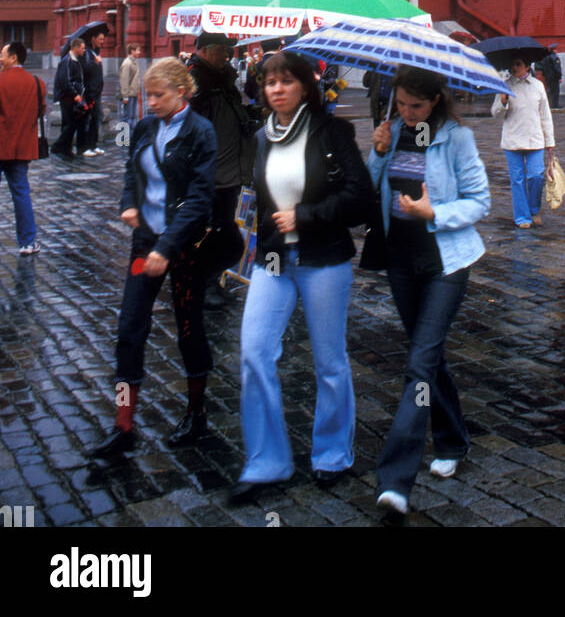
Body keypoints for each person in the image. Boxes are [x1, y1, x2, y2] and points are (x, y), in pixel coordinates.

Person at [230, 52, 373, 502]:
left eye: (286, 81)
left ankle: (332, 454)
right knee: (255, 351)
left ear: (305, 87)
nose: (276, 89)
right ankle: (266, 462)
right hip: (274, 260)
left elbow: (361, 197)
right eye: (269, 82)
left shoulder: (332, 132)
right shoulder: (260, 137)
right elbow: (256, 198)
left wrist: (306, 215)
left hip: (322, 259)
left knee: (329, 361)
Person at [369, 66, 490, 517]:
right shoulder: (393, 130)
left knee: (418, 364)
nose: (406, 112)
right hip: (400, 258)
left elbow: (479, 200)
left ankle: (395, 481)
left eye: (415, 106)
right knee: (429, 356)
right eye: (400, 103)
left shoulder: (457, 138)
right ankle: (453, 440)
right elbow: (371, 189)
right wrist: (378, 152)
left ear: (435, 101)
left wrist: (433, 212)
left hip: (445, 261)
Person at [89, 58, 217, 460]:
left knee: (188, 327)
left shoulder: (201, 131)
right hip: (145, 243)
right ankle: (123, 424)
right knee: (129, 328)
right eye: (149, 95)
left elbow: (200, 198)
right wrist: (128, 203)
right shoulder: (145, 127)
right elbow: (132, 172)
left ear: (182, 92)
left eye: (159, 95)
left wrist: (168, 246)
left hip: (184, 246)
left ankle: (196, 412)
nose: (152, 102)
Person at [189, 34, 256, 305]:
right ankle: (204, 285)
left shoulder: (223, 79)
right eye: (220, 50)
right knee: (214, 232)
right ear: (204, 51)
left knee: (224, 230)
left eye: (227, 51)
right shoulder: (197, 81)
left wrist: (253, 117)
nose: (226, 56)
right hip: (212, 173)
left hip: (230, 170)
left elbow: (234, 115)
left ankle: (210, 281)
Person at [492, 58, 556, 228]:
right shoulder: (504, 86)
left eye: (518, 64)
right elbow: (495, 113)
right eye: (512, 64)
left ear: (527, 66)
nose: (514, 67)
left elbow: (545, 115)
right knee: (517, 180)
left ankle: (534, 210)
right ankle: (522, 217)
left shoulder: (538, 86)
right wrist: (503, 101)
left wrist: (550, 141)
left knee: (536, 176)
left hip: (535, 140)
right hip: (513, 140)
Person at [0, 42, 44, 254]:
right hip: (22, 147)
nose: (0, 59)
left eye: (2, 54)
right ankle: (27, 242)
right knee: (21, 194)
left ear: (13, 57)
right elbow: (40, 112)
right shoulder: (37, 83)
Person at [52, 37, 89, 161]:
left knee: (69, 123)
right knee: (70, 124)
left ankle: (65, 149)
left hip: (71, 96)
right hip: (67, 97)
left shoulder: (74, 60)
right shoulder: (67, 61)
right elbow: (65, 81)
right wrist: (75, 94)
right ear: (76, 48)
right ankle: (58, 147)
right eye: (82, 48)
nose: (84, 50)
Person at [81, 31, 107, 156]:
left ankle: (93, 145)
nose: (102, 41)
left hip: (96, 92)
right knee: (87, 119)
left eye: (103, 39)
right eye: (100, 39)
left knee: (96, 118)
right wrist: (94, 63)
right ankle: (85, 147)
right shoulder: (86, 53)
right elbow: (83, 69)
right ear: (93, 38)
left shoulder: (95, 52)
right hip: (89, 92)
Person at [119, 45, 143, 141]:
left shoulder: (134, 62)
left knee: (132, 116)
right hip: (129, 94)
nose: (139, 52)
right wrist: (125, 96)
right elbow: (124, 80)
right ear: (132, 51)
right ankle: (124, 139)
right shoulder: (127, 63)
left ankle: (130, 137)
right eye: (138, 50)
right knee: (127, 117)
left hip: (134, 93)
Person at [539, 46, 562, 111]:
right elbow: (557, 68)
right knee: (555, 91)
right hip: (554, 77)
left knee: (550, 91)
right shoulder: (554, 57)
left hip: (548, 77)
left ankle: (550, 104)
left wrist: (545, 75)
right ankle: (555, 105)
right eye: (555, 49)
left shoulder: (546, 57)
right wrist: (559, 77)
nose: (557, 50)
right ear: (553, 50)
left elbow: (543, 68)